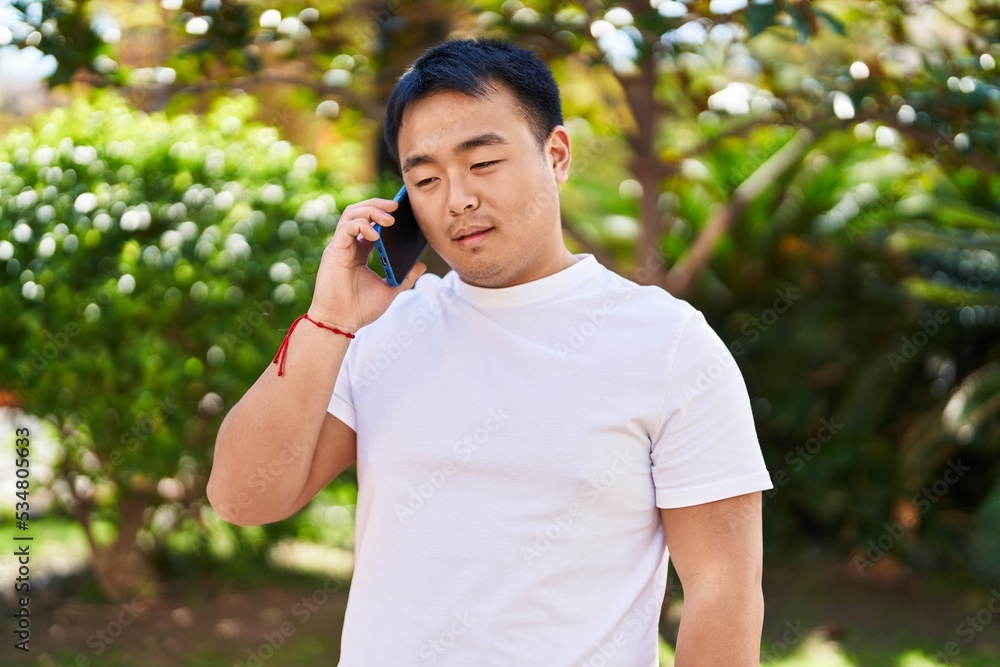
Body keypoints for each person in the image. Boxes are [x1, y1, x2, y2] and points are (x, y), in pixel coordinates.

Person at [207, 37, 773, 667]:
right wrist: (329, 319)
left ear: (556, 155)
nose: (456, 199)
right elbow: (243, 497)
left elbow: (724, 593)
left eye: (482, 164)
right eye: (425, 178)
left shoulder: (669, 345)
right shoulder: (384, 334)